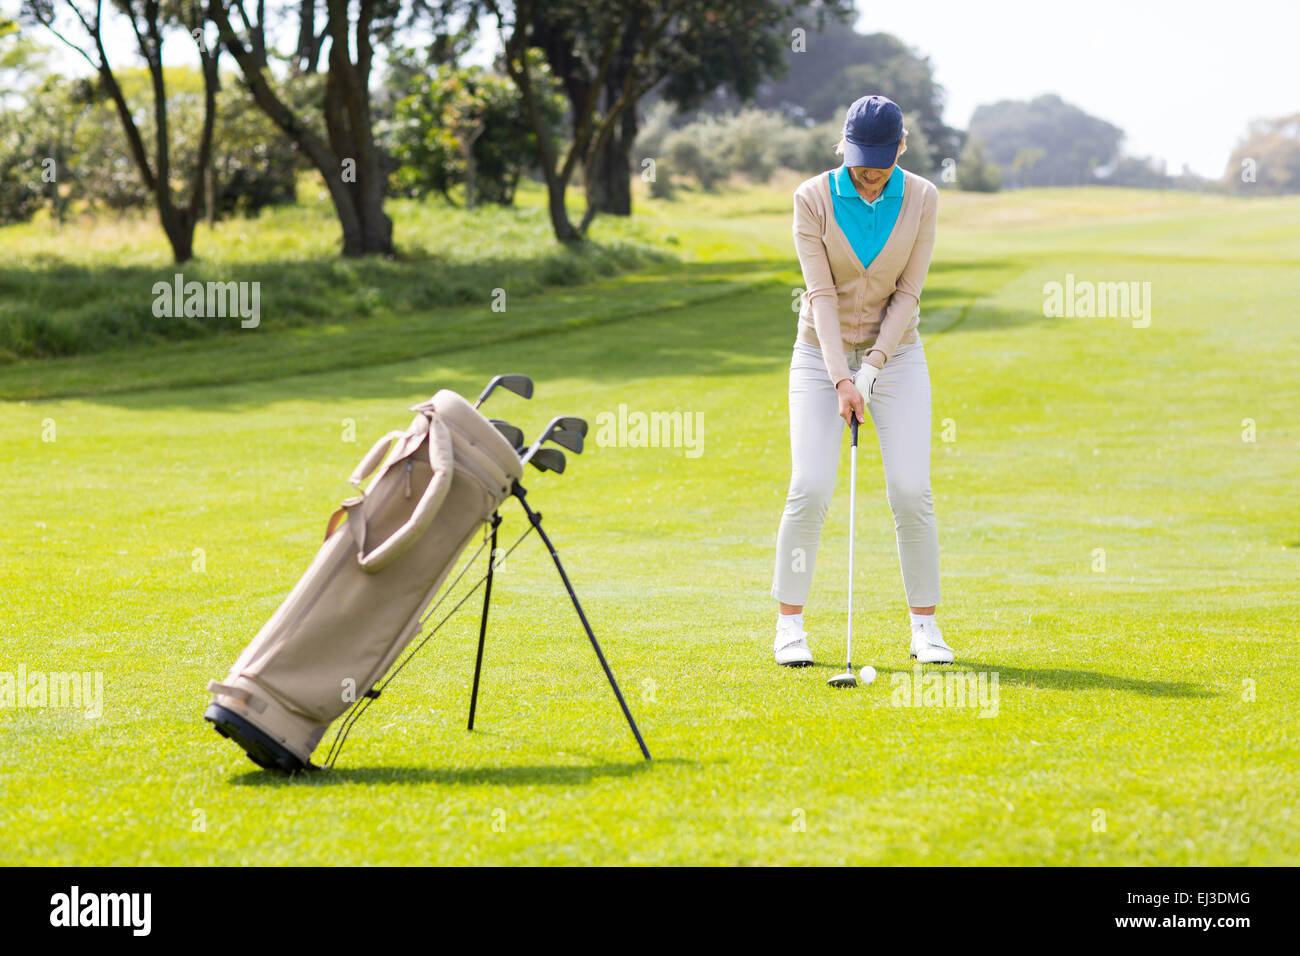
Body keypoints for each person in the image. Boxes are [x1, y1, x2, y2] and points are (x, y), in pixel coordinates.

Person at [771, 94, 953, 667]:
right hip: (817, 354)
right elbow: (820, 296)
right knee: (810, 486)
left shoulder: (922, 197)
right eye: (859, 159)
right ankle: (789, 627)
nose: (870, 173)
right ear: (843, 148)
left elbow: (908, 294)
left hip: (897, 355)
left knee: (909, 489)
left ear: (901, 147)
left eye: (880, 159)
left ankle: (925, 628)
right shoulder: (812, 198)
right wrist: (841, 378)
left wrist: (871, 367)